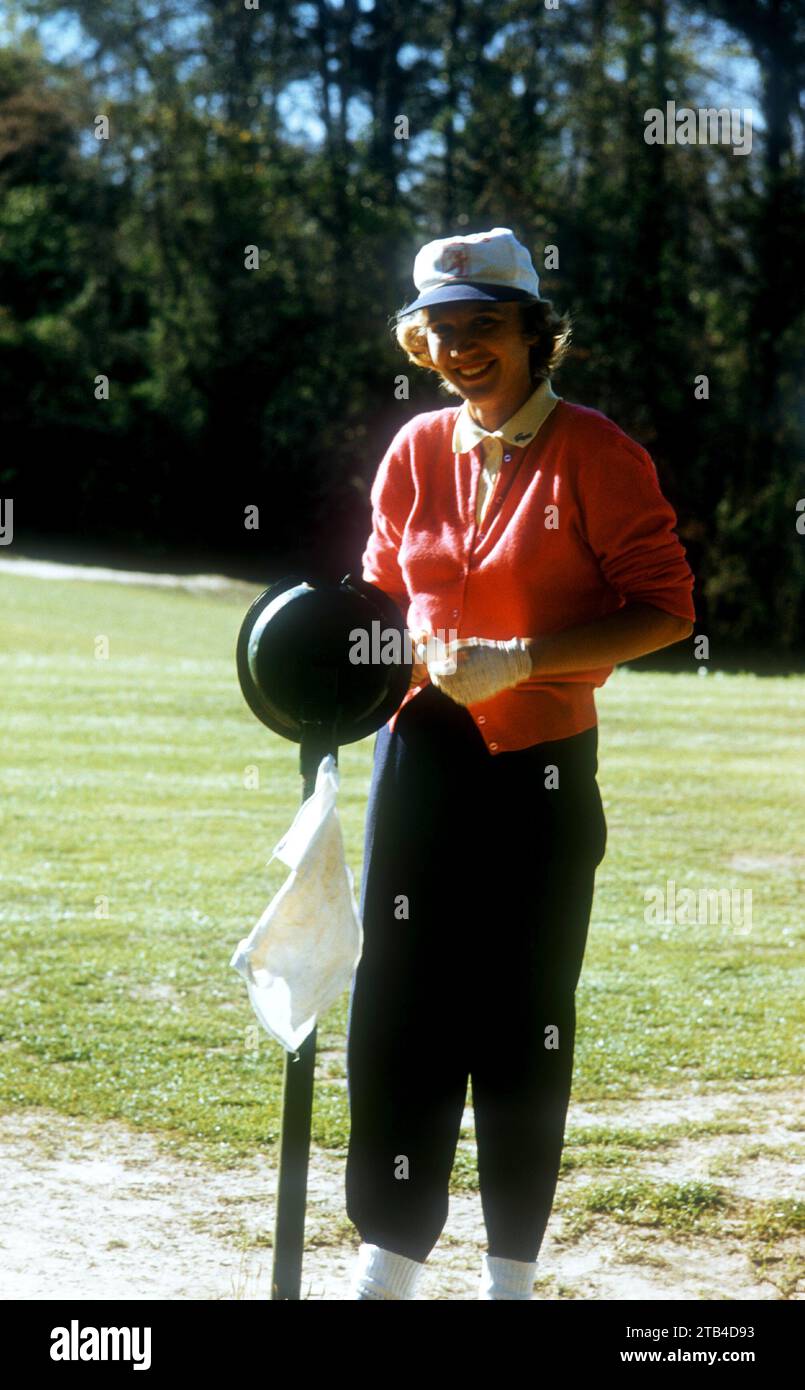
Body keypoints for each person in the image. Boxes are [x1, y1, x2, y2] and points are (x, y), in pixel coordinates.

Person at [345, 227, 695, 1301]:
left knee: (523, 1015)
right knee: (395, 1006)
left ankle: (509, 1274)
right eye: (439, 329)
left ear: (535, 334)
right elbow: (377, 598)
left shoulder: (596, 450)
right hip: (419, 761)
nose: (458, 348)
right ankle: (389, 1258)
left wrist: (527, 660)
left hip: (540, 771)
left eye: (482, 325)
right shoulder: (413, 451)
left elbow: (664, 610)